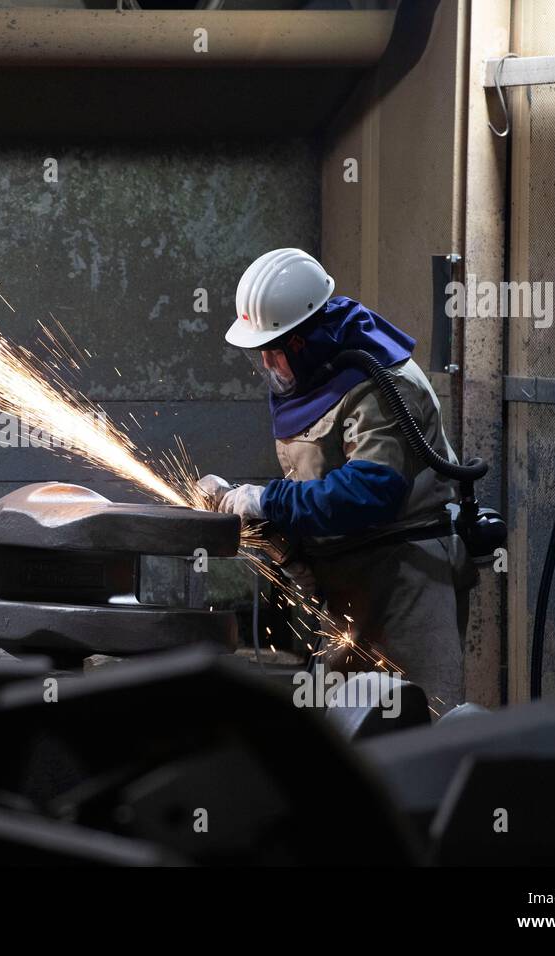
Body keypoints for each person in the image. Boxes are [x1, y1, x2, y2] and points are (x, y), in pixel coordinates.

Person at [198, 248, 476, 710]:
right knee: (349, 729)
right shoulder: (312, 375)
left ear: (304, 340)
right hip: (349, 583)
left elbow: (372, 491)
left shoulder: (379, 383)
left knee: (414, 722)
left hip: (404, 579)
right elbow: (322, 474)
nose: (266, 364)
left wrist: (271, 502)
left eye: (272, 351)